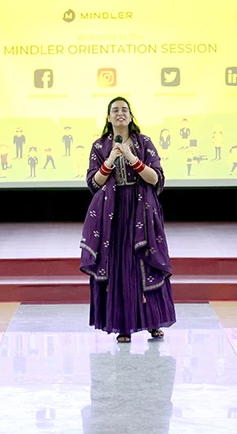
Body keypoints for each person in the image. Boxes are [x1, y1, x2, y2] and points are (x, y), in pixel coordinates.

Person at [80, 97, 175, 343]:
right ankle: (122, 325)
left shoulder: (144, 142)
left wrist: (133, 158)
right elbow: (94, 182)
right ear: (109, 118)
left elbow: (155, 179)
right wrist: (111, 158)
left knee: (146, 262)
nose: (120, 113)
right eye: (115, 110)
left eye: (124, 110)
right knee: (120, 265)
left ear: (131, 116)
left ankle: (153, 321)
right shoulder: (100, 146)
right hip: (113, 212)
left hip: (141, 209)